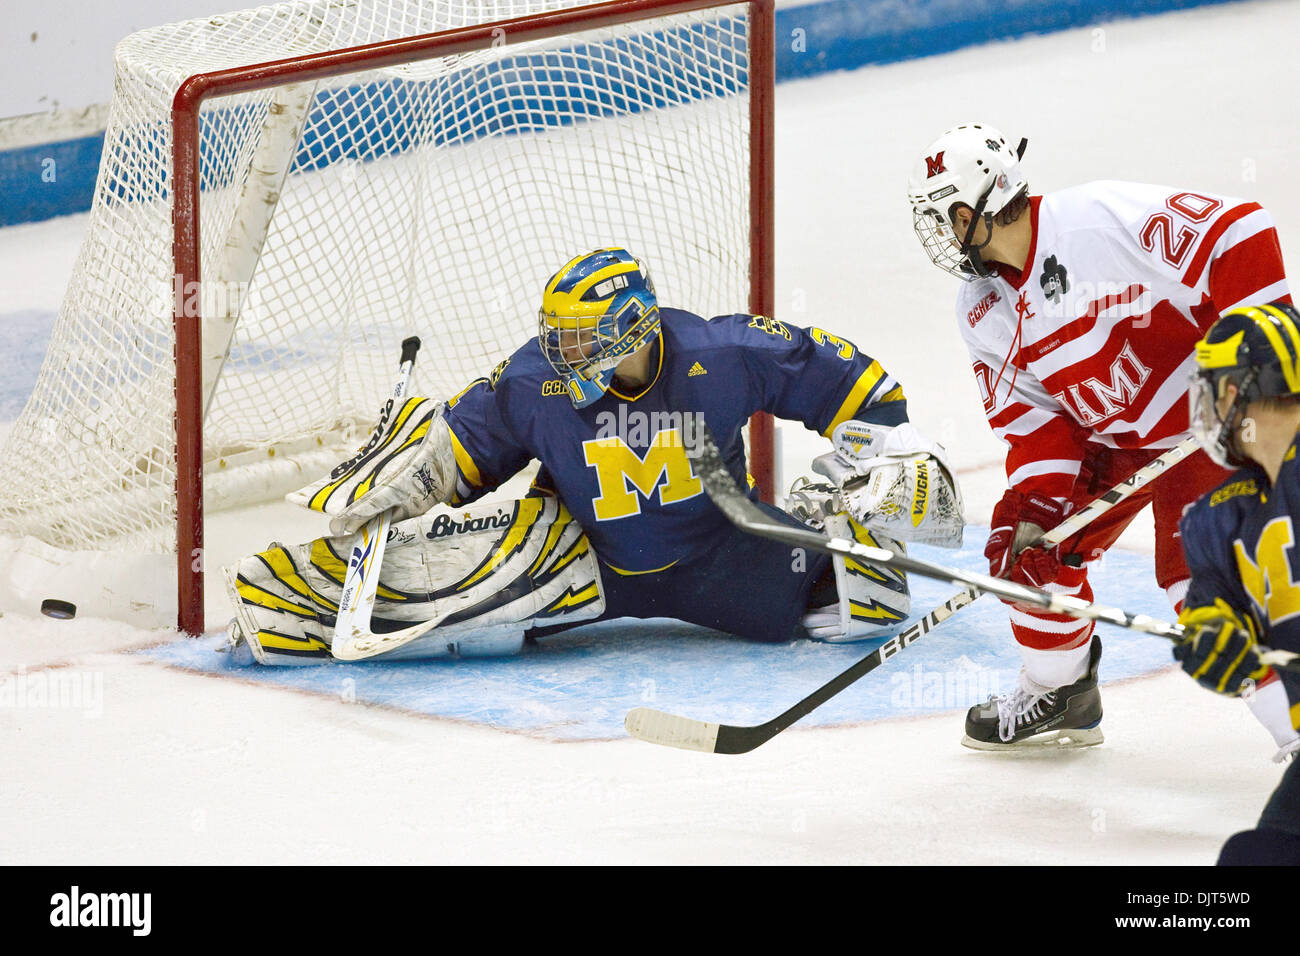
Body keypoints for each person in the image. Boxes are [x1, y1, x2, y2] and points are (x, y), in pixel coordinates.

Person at [224, 247, 964, 664]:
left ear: (629, 329)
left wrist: (886, 462)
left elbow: (861, 390)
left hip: (726, 556)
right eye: (557, 335)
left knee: (875, 590)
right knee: (463, 565)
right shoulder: (534, 380)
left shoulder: (724, 351)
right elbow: (462, 445)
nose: (559, 352)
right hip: (581, 560)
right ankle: (287, 597)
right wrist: (418, 477)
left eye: (576, 337)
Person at [906, 123, 1292, 749]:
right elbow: (1036, 423)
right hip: (1114, 442)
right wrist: (1036, 507)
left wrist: (1259, 359)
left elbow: (1240, 232)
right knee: (1025, 559)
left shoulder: (1096, 220)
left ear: (971, 210)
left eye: (943, 218)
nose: (941, 237)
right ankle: (1061, 691)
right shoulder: (982, 306)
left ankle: (1293, 728)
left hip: (1204, 420)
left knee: (1203, 584)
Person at [1178, 302, 1300, 864]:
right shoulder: (1223, 518)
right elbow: (1209, 611)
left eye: (1213, 387)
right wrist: (1215, 646)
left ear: (1237, 391)